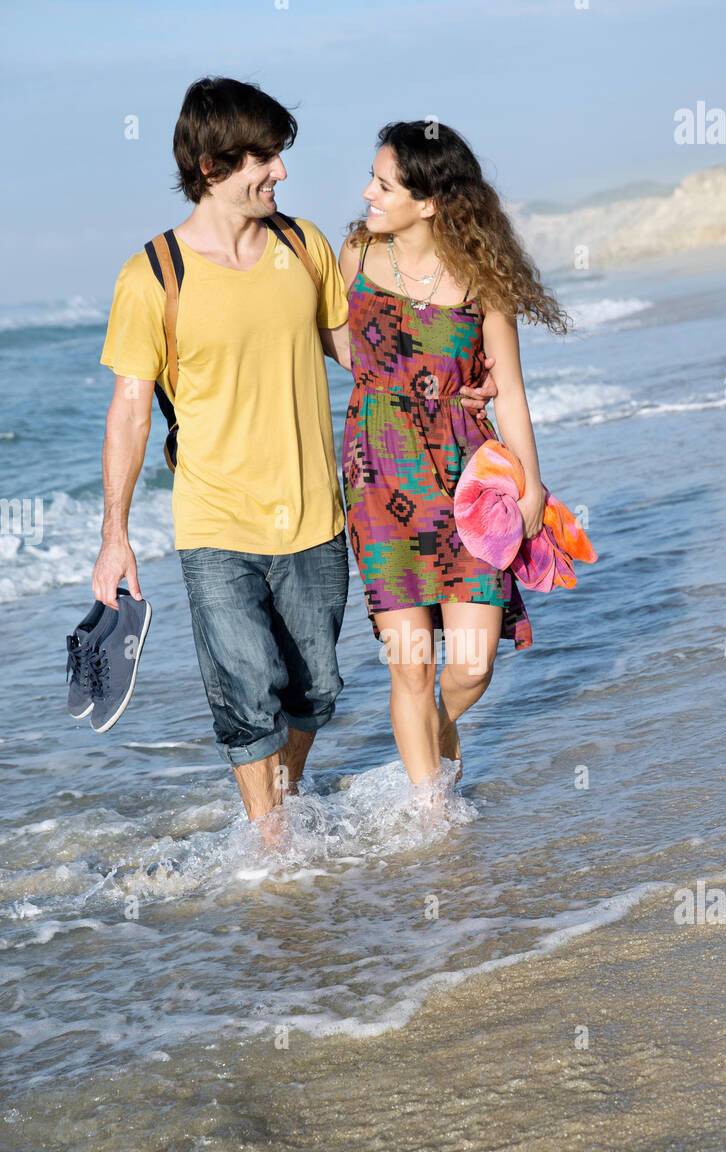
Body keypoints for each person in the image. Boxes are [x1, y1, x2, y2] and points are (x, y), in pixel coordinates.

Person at [93, 79, 494, 830]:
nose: (281, 171)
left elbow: (365, 357)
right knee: (247, 692)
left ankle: (286, 795)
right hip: (215, 521)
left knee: (313, 691)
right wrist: (115, 536)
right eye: (266, 158)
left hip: (317, 513)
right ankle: (272, 846)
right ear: (214, 167)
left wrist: (463, 381)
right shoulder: (153, 276)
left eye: (280, 156)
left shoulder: (303, 246)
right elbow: (129, 410)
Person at [337, 121, 570, 786]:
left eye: (384, 185)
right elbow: (336, 340)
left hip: (464, 479)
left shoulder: (480, 282)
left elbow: (513, 394)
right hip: (376, 477)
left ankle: (439, 722)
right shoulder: (357, 253)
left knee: (472, 663)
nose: (367, 192)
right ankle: (432, 820)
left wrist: (532, 488)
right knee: (407, 661)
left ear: (429, 201)